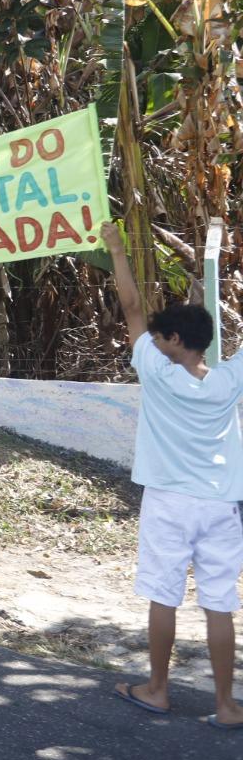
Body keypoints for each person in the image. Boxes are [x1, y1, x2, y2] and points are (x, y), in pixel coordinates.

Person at [102, 222, 243, 728]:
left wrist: (117, 250)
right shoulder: (228, 381)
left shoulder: (157, 374)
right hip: (221, 505)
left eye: (161, 336)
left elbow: (132, 307)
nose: (152, 340)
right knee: (220, 604)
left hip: (168, 502)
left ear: (175, 340)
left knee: (164, 596)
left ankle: (158, 690)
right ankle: (226, 705)